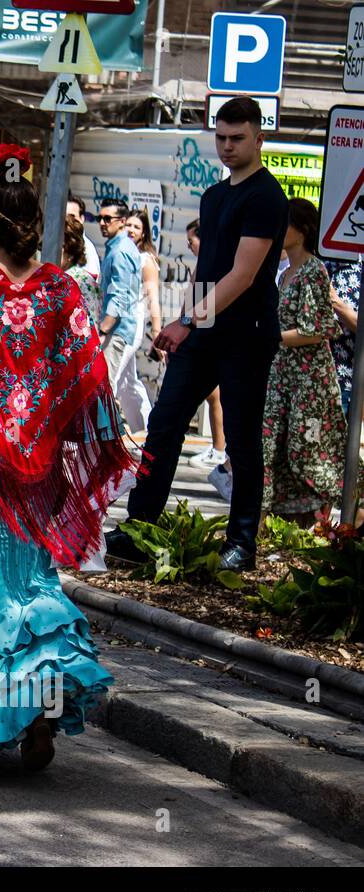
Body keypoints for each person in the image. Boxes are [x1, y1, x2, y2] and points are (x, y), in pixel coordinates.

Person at [0, 144, 134, 771]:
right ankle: (40, 716)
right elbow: (87, 370)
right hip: (43, 470)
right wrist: (97, 444)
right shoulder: (60, 292)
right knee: (31, 589)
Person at [106, 97, 289, 573]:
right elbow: (208, 272)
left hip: (247, 335)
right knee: (164, 425)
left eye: (237, 138)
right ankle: (140, 526)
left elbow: (243, 275)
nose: (227, 147)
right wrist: (186, 324)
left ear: (258, 138)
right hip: (205, 331)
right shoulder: (213, 196)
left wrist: (186, 321)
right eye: (221, 138)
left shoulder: (267, 197)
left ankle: (242, 543)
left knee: (243, 440)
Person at [262, 198, 346, 525]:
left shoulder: (313, 270)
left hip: (310, 384)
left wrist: (272, 337)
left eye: (286, 223)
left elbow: (320, 329)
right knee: (273, 450)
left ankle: (348, 501)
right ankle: (279, 524)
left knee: (307, 452)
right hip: (283, 378)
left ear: (304, 230)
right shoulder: (285, 273)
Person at [98, 199, 150, 433]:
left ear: (121, 222)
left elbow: (119, 296)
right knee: (125, 386)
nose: (102, 223)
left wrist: (103, 330)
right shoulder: (118, 247)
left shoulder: (121, 251)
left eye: (107, 219)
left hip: (116, 331)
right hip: (118, 329)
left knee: (104, 387)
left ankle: (107, 444)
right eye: (99, 218)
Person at [184, 218, 229, 471]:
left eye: (192, 241)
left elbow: (203, 307)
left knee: (215, 397)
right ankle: (219, 448)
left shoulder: (212, 267)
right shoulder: (201, 266)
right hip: (196, 333)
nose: (189, 246)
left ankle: (220, 449)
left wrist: (188, 328)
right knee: (214, 397)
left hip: (205, 337)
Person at [126, 208, 165, 402]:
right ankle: (145, 426)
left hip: (131, 325)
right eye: (128, 225)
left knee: (111, 375)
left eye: (136, 226)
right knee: (127, 383)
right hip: (118, 322)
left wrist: (157, 332)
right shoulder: (123, 253)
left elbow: (153, 298)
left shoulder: (145, 260)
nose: (131, 230)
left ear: (144, 232)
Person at [328, 257, 361, 419]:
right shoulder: (315, 263)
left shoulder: (359, 270)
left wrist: (335, 302)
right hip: (304, 384)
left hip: (344, 386)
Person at [62, 213, 101, 325]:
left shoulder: (82, 281)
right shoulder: (52, 276)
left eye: (61, 246)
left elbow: (89, 326)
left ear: (70, 250)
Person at [67, 193, 101, 281]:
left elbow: (89, 285)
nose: (67, 220)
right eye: (64, 215)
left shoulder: (87, 249)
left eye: (72, 216)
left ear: (82, 218)